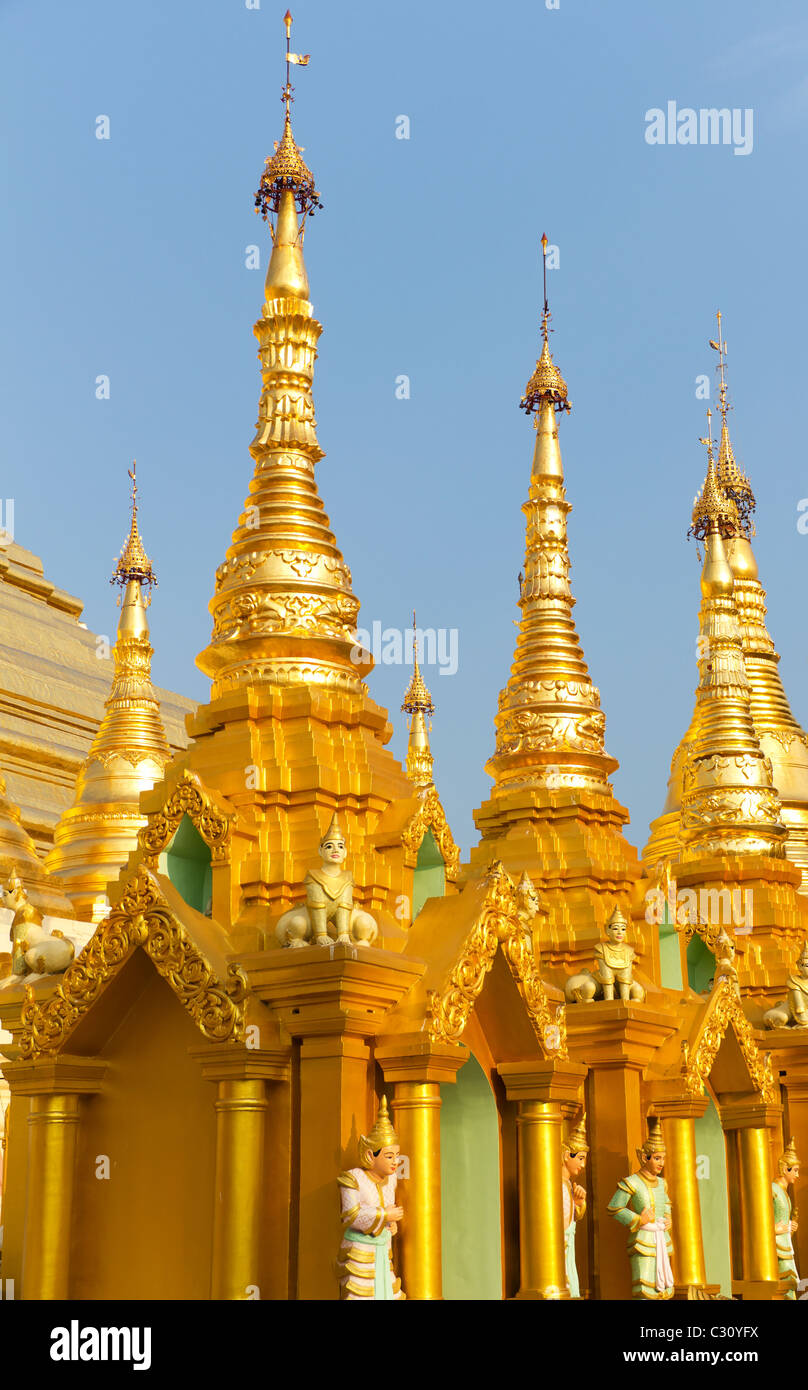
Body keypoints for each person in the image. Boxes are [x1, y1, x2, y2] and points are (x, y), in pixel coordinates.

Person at [336, 1096, 405, 1300]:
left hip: (383, 1250)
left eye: (397, 1156)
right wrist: (385, 1215)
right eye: (389, 1156)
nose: (395, 1162)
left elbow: (387, 1212)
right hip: (360, 1251)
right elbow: (351, 1216)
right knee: (361, 1295)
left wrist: (391, 1225)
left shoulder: (391, 1181)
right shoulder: (353, 1178)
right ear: (370, 1155)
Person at [607, 1118, 674, 1299]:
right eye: (657, 1158)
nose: (661, 1163)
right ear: (645, 1158)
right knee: (644, 1289)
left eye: (663, 1158)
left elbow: (666, 1203)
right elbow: (614, 1208)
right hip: (643, 1240)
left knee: (663, 1290)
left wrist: (668, 1218)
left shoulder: (662, 1183)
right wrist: (638, 1220)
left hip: (661, 1238)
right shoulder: (632, 1182)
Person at [561, 1113, 588, 1298]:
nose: (583, 1164)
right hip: (560, 1244)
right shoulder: (555, 1183)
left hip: (568, 1244)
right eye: (580, 1158)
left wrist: (579, 1204)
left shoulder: (568, 1184)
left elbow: (571, 1216)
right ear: (565, 1155)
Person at [773, 1137, 800, 1299]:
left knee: (791, 1283)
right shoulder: (773, 1189)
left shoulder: (785, 1194)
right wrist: (774, 1229)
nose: (797, 1174)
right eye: (794, 1170)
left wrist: (790, 1228)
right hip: (776, 1249)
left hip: (784, 1246)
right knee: (785, 1283)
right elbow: (761, 1222)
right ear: (785, 1170)